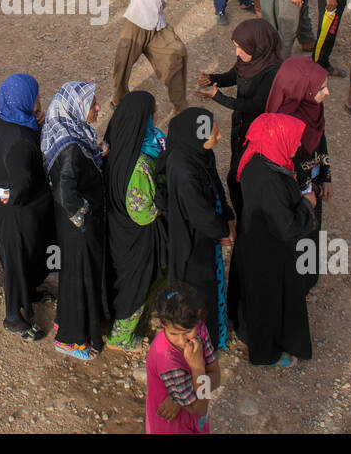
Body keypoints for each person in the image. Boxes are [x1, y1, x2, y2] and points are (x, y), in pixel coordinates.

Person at [228, 112, 315, 367]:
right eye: (294, 139)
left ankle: (245, 330)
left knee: (251, 295)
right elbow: (286, 227)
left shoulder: (255, 158)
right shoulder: (270, 181)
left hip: (253, 241)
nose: (298, 145)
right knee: (266, 300)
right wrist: (307, 206)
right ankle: (266, 351)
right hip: (268, 251)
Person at [41, 81, 107, 361]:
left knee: (72, 277)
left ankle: (68, 322)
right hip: (78, 228)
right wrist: (84, 216)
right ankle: (70, 338)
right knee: (79, 278)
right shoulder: (69, 147)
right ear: (77, 108)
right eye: (93, 105)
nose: (98, 108)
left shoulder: (65, 130)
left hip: (70, 227)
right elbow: (65, 191)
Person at [0, 73, 55, 340]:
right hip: (14, 214)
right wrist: (10, 196)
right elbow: (22, 185)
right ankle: (15, 317)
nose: (39, 99)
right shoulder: (21, 141)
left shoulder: (5, 118)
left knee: (25, 259)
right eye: (36, 96)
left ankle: (31, 293)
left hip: (5, 206)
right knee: (16, 264)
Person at [102, 91, 169, 351]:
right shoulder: (141, 163)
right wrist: (163, 207)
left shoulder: (118, 140)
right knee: (136, 283)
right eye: (153, 113)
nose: (156, 116)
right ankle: (121, 336)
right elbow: (143, 212)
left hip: (117, 226)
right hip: (136, 236)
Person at [195, 18, 282, 217]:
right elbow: (233, 75)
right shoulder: (250, 60)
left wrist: (219, 98)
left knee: (237, 177)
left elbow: (254, 106)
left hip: (257, 134)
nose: (237, 53)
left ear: (257, 45)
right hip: (240, 127)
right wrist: (212, 78)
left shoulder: (272, 73)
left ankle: (247, 218)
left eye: (241, 48)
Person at [165, 108, 234, 350]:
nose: (220, 137)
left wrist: (227, 216)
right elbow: (200, 215)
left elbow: (215, 184)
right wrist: (222, 230)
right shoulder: (184, 171)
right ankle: (201, 345)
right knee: (197, 296)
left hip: (206, 239)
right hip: (192, 246)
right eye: (215, 134)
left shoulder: (200, 155)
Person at [265, 57, 331, 291]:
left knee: (312, 231)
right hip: (293, 191)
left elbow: (320, 139)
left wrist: (325, 176)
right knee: (295, 234)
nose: (327, 93)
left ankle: (306, 281)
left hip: (311, 183)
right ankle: (294, 286)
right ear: (302, 89)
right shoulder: (284, 121)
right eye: (322, 88)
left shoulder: (313, 106)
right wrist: (304, 190)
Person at [110, 0, 186, 115]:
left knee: (177, 55)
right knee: (122, 64)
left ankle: (179, 106)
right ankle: (118, 101)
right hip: (136, 21)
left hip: (158, 25)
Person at [146, 283, 222, 434]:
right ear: (162, 325)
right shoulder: (166, 360)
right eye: (174, 334)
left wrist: (178, 398)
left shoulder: (199, 329)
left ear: (198, 316)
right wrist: (198, 368)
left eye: (187, 332)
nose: (182, 341)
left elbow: (217, 377)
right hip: (171, 427)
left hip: (194, 422)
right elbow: (200, 408)